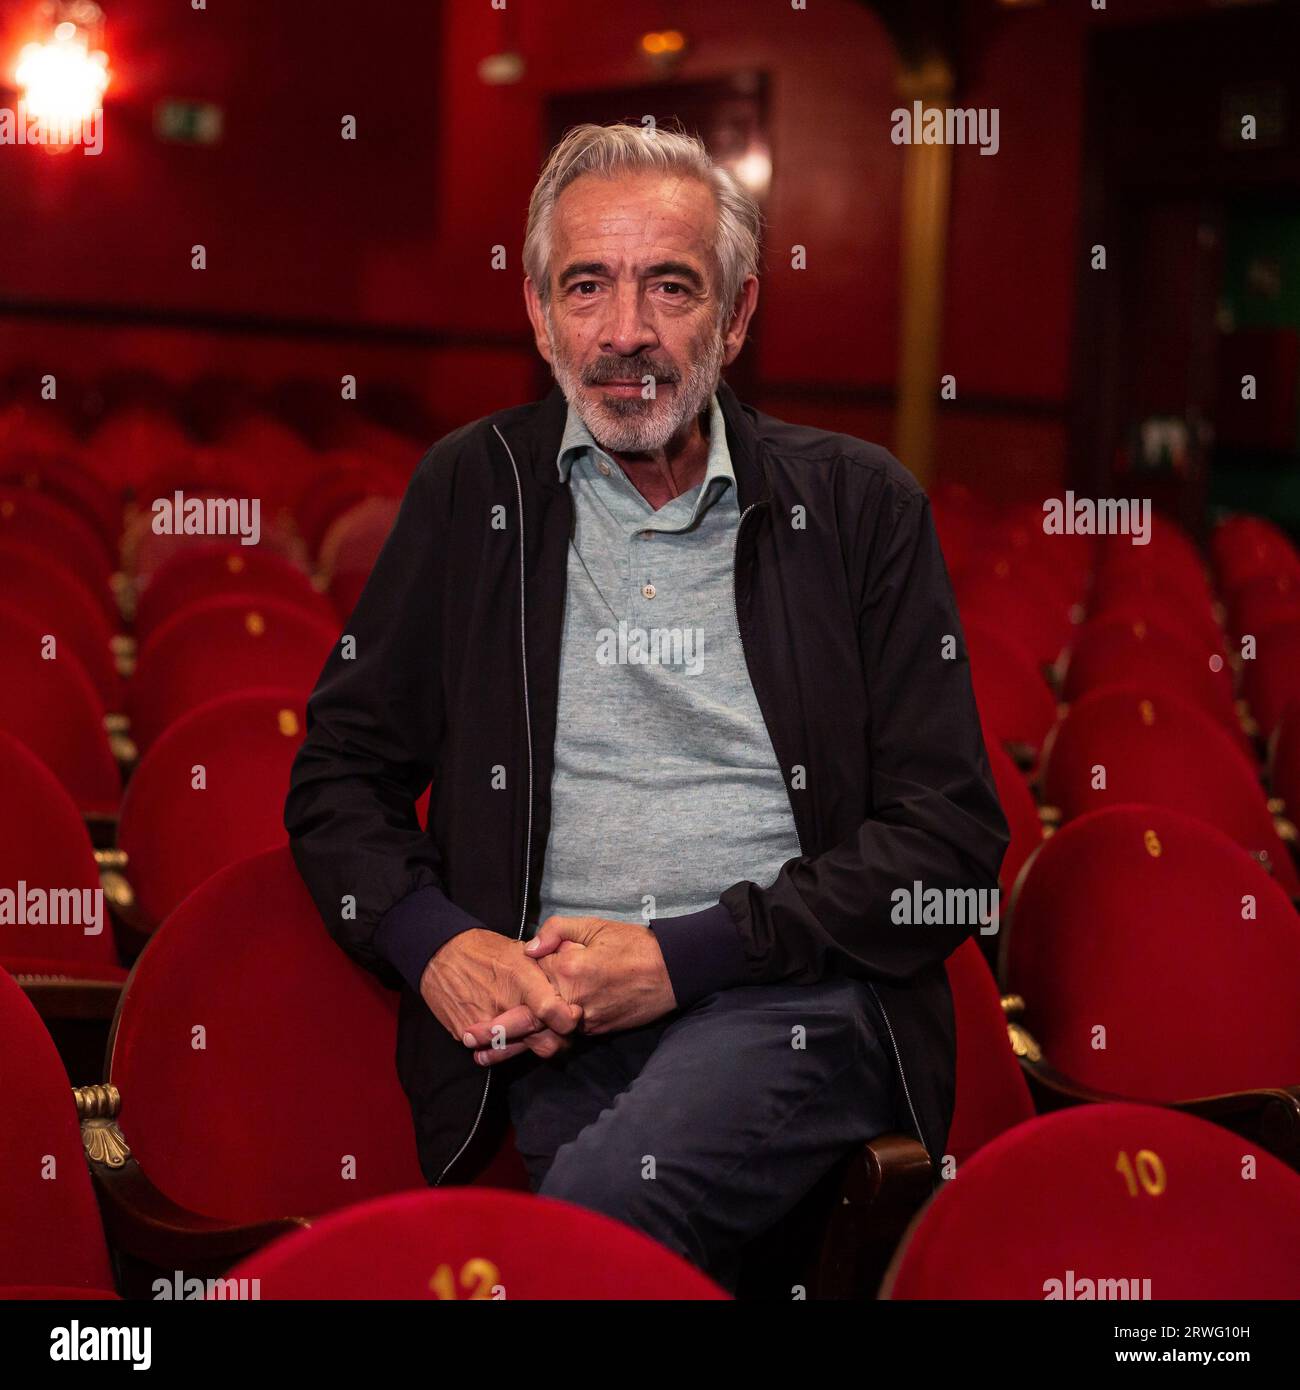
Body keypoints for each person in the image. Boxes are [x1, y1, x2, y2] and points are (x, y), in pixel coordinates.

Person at [284, 121, 1009, 1292]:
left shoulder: (861, 506)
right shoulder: (473, 488)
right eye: (587, 286)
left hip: (795, 995)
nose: (626, 333)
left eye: (670, 286)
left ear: (733, 315)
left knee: (596, 1212)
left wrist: (681, 954)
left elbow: (954, 845)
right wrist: (441, 944)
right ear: (538, 314)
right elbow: (337, 778)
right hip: (547, 1016)